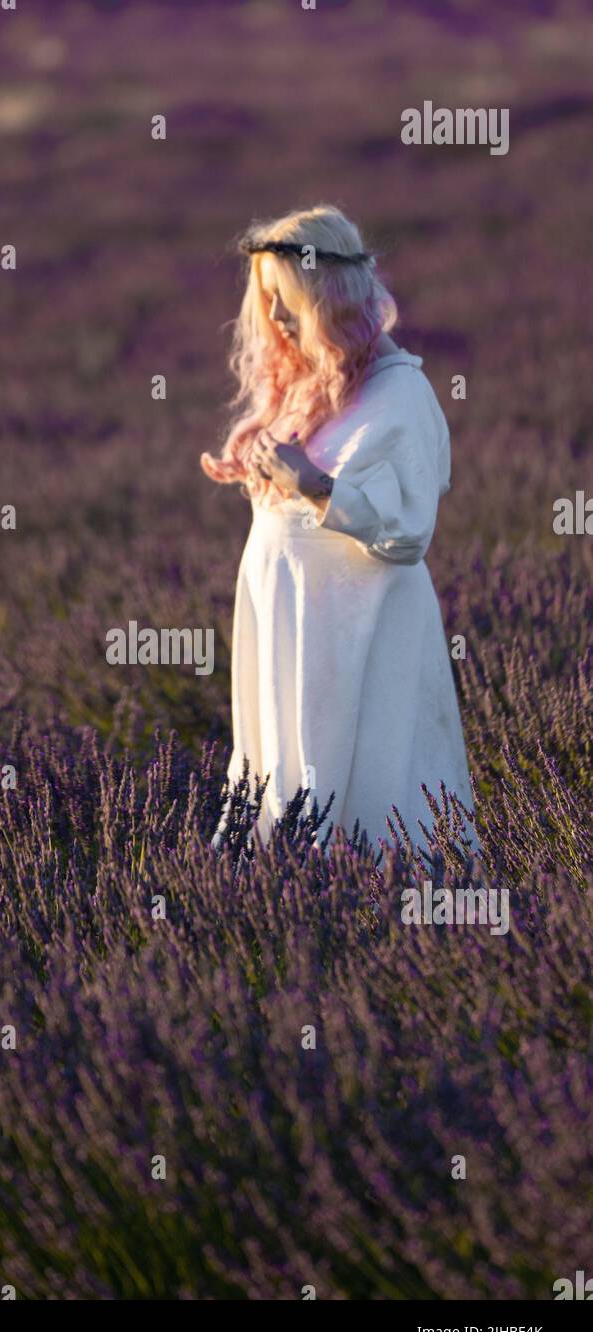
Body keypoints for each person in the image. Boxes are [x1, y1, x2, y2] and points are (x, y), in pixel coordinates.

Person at [201, 205, 475, 851]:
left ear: (331, 297)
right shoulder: (310, 388)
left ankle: (378, 905)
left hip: (358, 625)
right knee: (288, 774)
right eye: (265, 300)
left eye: (286, 299)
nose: (272, 319)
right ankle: (288, 892)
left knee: (369, 776)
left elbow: (408, 535)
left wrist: (317, 486)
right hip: (292, 619)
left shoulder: (400, 395)